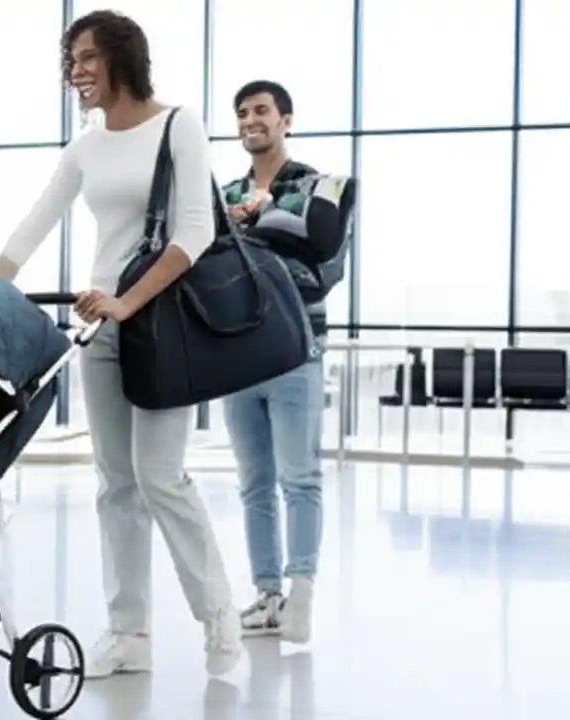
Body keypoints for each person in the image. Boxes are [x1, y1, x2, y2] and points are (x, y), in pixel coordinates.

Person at [0, 10, 243, 677]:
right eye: (70, 60)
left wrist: (130, 300)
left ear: (123, 57)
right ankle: (129, 634)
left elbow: (196, 233)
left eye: (85, 57)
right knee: (115, 484)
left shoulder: (177, 125)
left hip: (162, 328)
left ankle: (219, 617)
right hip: (100, 326)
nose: (75, 71)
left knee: (161, 477)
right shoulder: (87, 144)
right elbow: (34, 223)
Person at [219, 80, 354, 644]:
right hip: (236, 352)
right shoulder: (223, 193)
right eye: (243, 113)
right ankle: (267, 595)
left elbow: (327, 264)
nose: (251, 119)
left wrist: (264, 225)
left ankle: (301, 593)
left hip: (297, 346)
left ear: (286, 120)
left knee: (300, 476)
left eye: (262, 111)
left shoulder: (319, 186)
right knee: (253, 482)